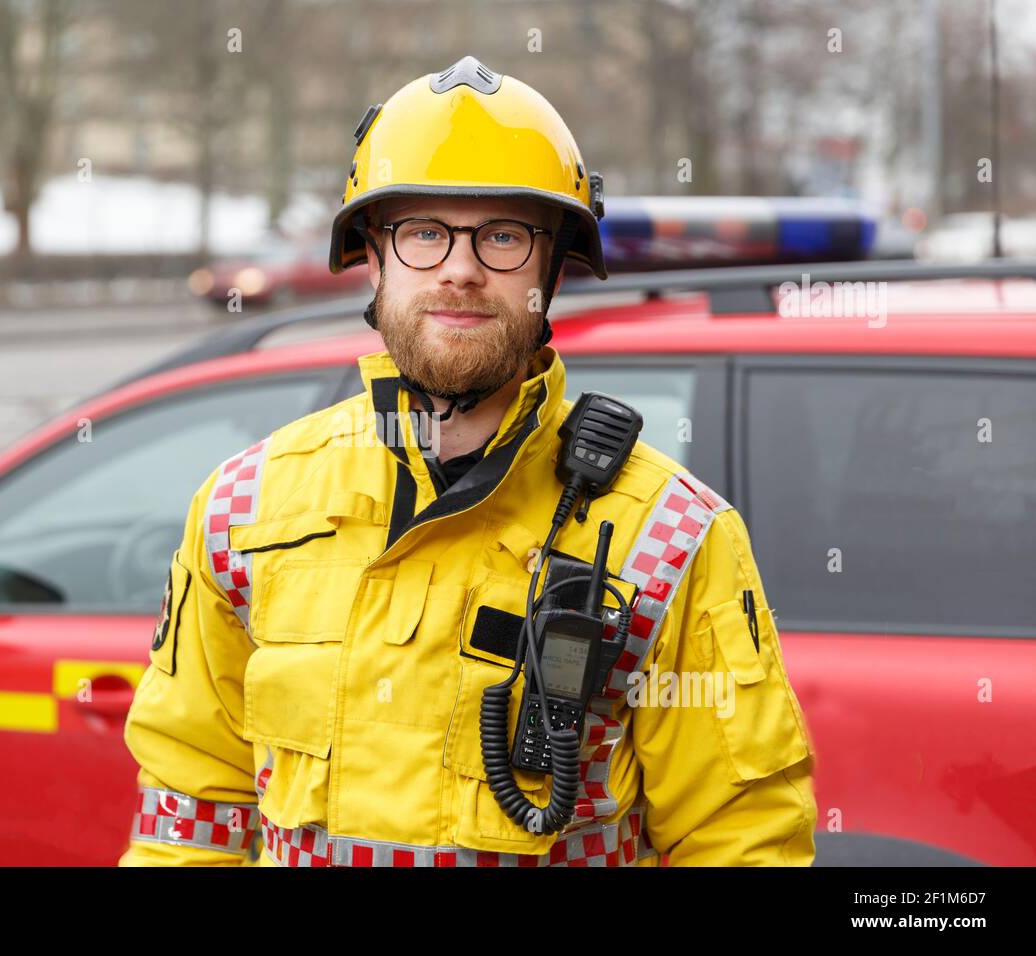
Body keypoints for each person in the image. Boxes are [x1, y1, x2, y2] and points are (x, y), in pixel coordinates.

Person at [120, 55, 817, 867]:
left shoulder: (672, 538)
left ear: (551, 271)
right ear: (372, 262)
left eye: (503, 236)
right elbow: (189, 813)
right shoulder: (244, 506)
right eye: (423, 232)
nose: (460, 266)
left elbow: (742, 844)